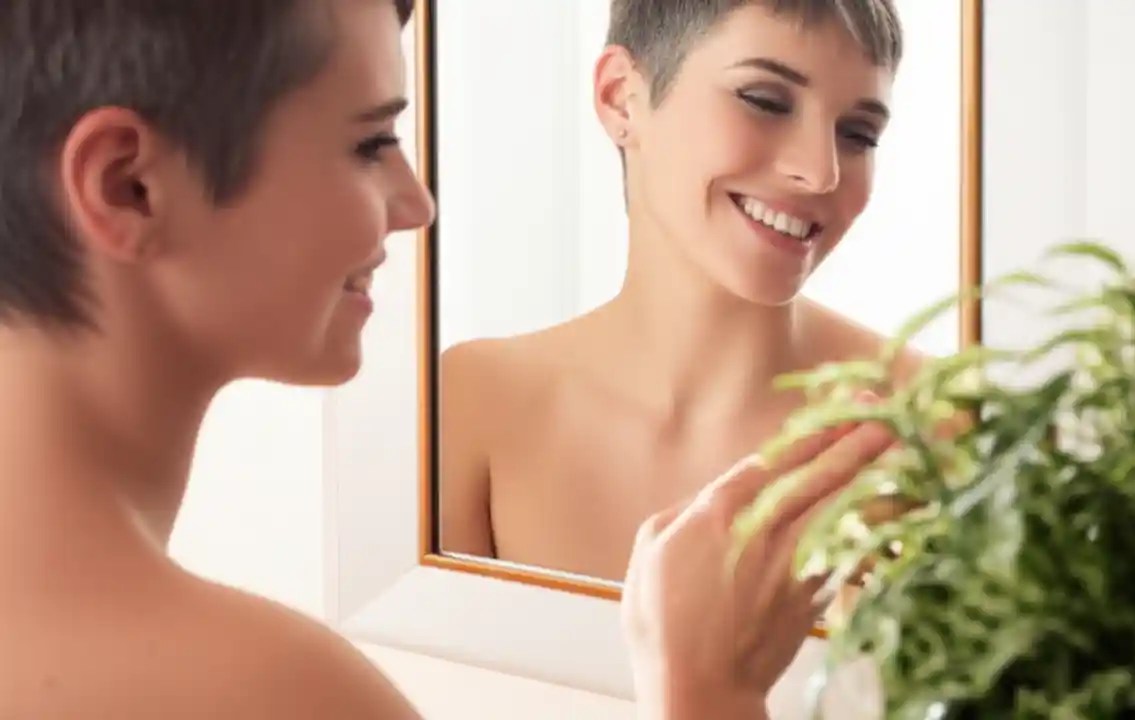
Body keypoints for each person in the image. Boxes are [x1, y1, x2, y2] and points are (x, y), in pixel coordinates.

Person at [0, 1, 902, 717]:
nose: (417, 202)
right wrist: (708, 693)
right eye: (369, 142)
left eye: (860, 131)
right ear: (128, 185)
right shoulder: (272, 690)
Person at [439, 0, 922, 581]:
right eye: (765, 101)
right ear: (621, 97)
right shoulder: (473, 406)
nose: (820, 172)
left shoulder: (930, 420)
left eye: (859, 134)